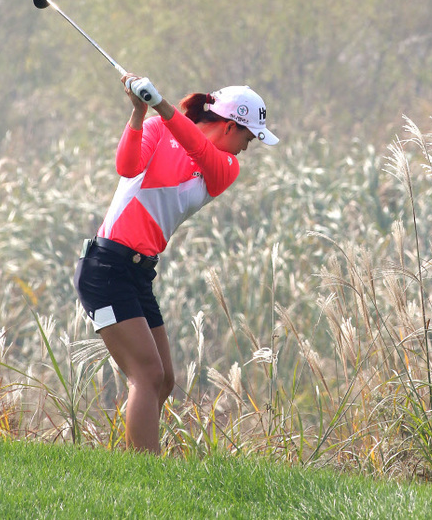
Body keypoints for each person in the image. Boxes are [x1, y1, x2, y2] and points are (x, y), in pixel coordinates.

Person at [73, 74, 278, 453]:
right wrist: (139, 114)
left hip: (138, 273)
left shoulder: (225, 166)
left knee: (164, 379)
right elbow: (126, 166)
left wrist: (161, 105)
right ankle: (143, 472)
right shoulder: (156, 128)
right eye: (248, 138)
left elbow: (196, 145)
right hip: (106, 267)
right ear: (230, 126)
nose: (247, 148)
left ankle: (134, 462)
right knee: (147, 375)